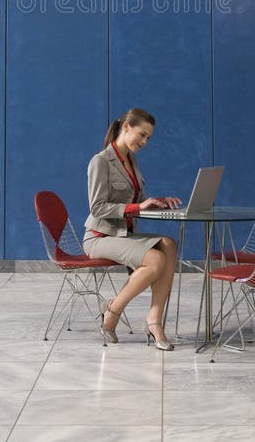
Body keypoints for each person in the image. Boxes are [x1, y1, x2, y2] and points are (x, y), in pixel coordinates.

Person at [83, 107, 181, 350]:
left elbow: (138, 199)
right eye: (142, 134)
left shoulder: (131, 160)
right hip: (100, 236)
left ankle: (154, 321)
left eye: (148, 137)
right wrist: (137, 207)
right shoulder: (100, 161)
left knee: (169, 244)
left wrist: (157, 202)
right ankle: (113, 310)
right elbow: (97, 208)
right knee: (156, 260)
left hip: (123, 235)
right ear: (126, 127)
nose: (145, 142)